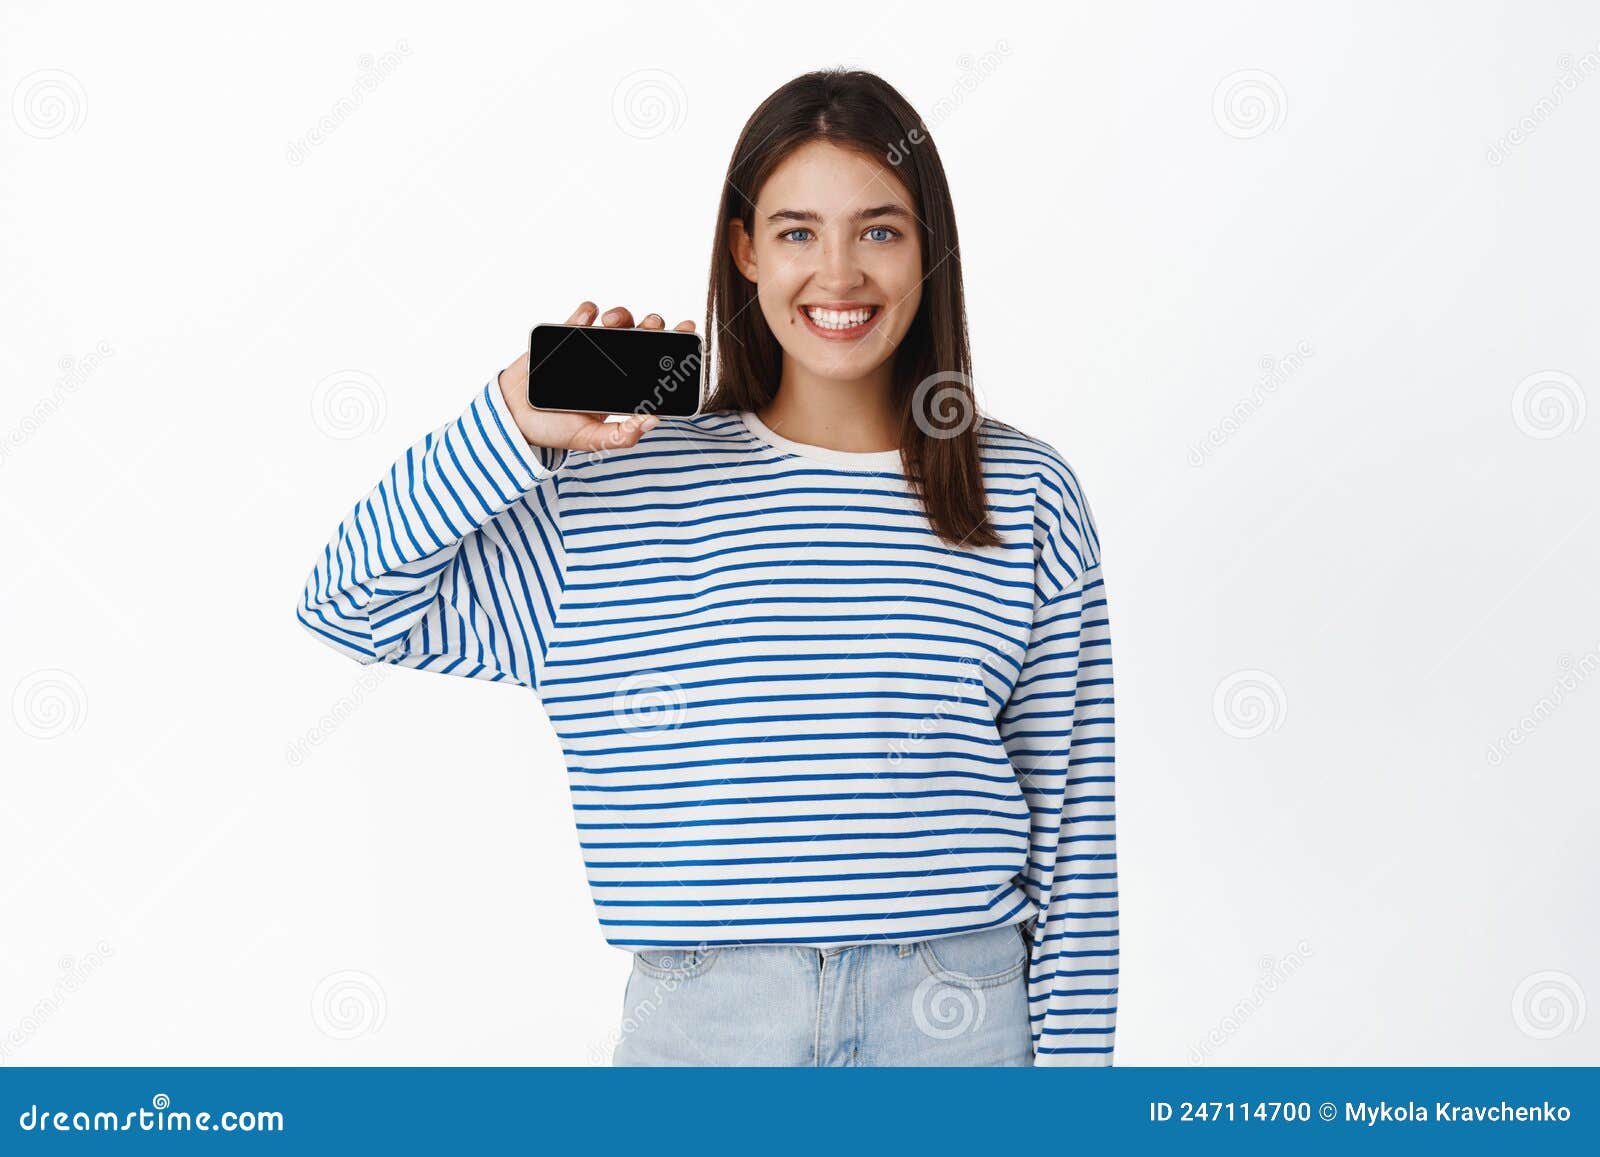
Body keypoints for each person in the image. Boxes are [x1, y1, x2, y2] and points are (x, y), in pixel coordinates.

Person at [295, 67, 1117, 1067]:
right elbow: (347, 603)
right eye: (798, 232)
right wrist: (510, 417)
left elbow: (1075, 835)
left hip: (954, 1024)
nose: (840, 273)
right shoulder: (617, 484)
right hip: (709, 1030)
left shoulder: (1022, 492)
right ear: (746, 250)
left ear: (927, 248)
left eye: (879, 230)